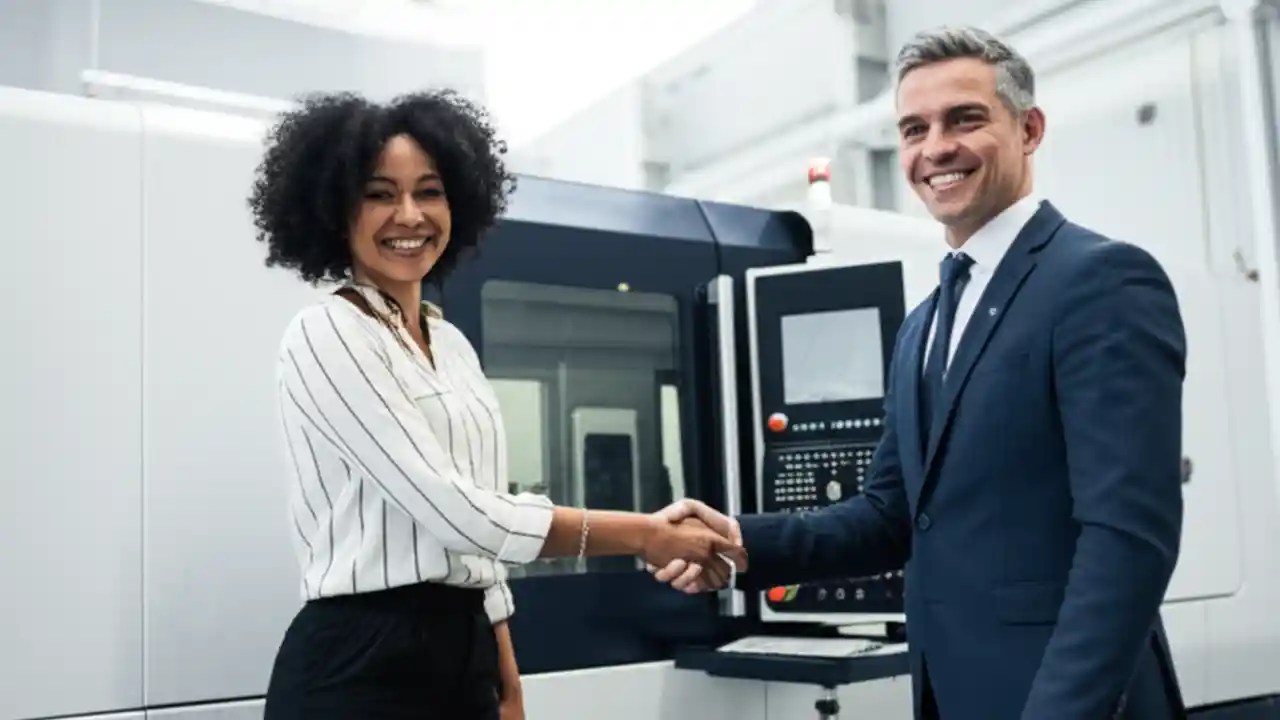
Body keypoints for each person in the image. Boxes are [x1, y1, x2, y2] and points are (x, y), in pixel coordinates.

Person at [653, 26, 1188, 720]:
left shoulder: (1100, 281)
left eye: (964, 119)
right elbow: (888, 516)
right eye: (914, 128)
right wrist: (735, 540)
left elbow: (1127, 540)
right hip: (953, 691)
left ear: (1029, 129)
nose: (935, 147)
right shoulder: (925, 323)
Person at [247, 90, 745, 720]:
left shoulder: (450, 343)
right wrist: (643, 534)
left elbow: (480, 546)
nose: (409, 214)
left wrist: (505, 674)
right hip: (360, 661)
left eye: (429, 191)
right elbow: (461, 514)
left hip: (466, 649)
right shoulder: (326, 334)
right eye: (379, 194)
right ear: (333, 210)